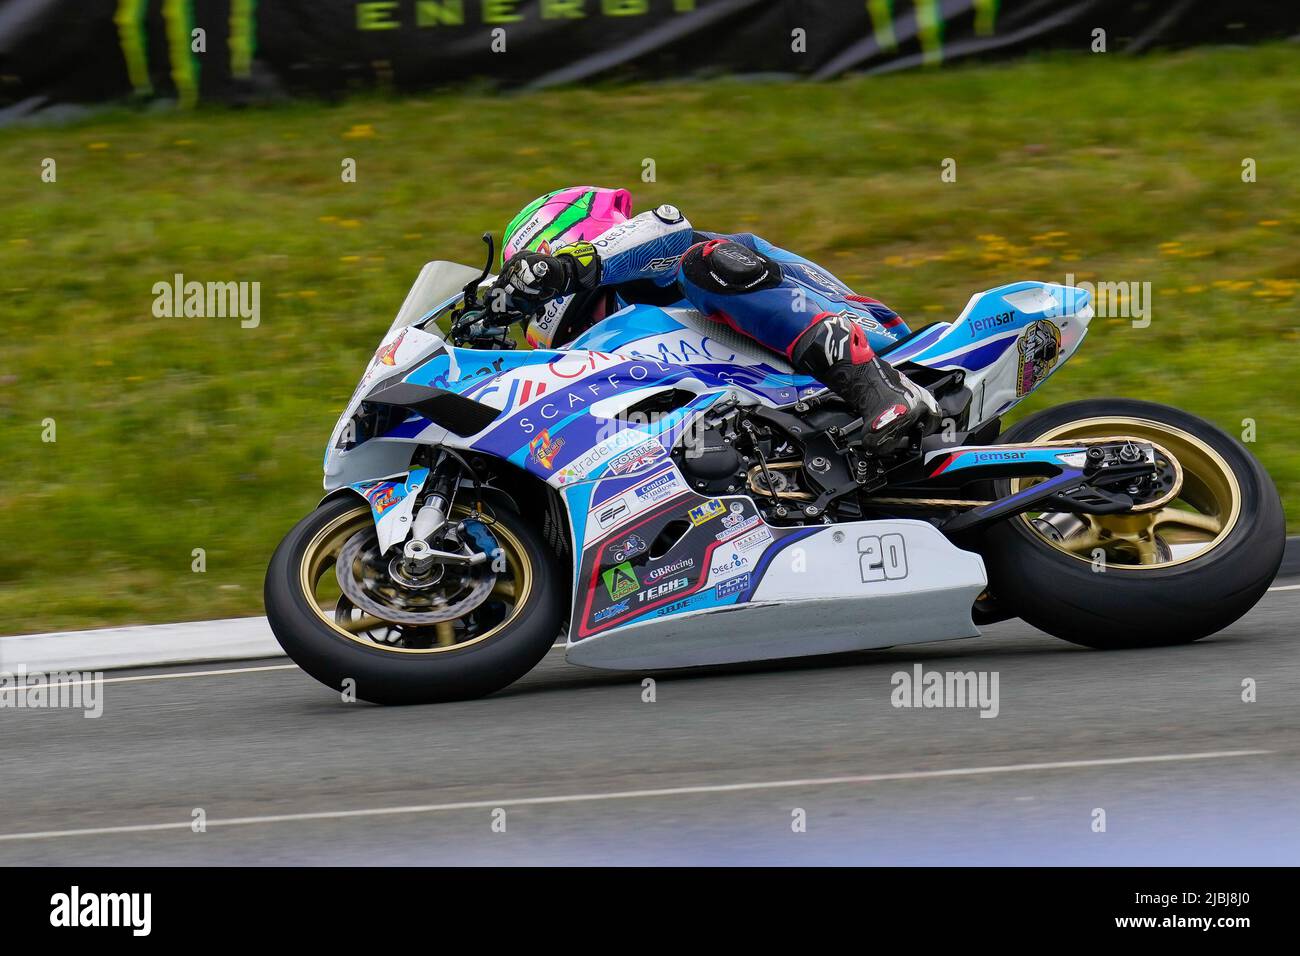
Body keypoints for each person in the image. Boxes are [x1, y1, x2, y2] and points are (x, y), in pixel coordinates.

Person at [489, 186, 936, 452]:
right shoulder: (611, 338)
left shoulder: (648, 269)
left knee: (703, 262)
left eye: (526, 267)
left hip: (879, 342)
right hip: (782, 406)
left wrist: (565, 269)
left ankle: (876, 386)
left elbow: (667, 229)